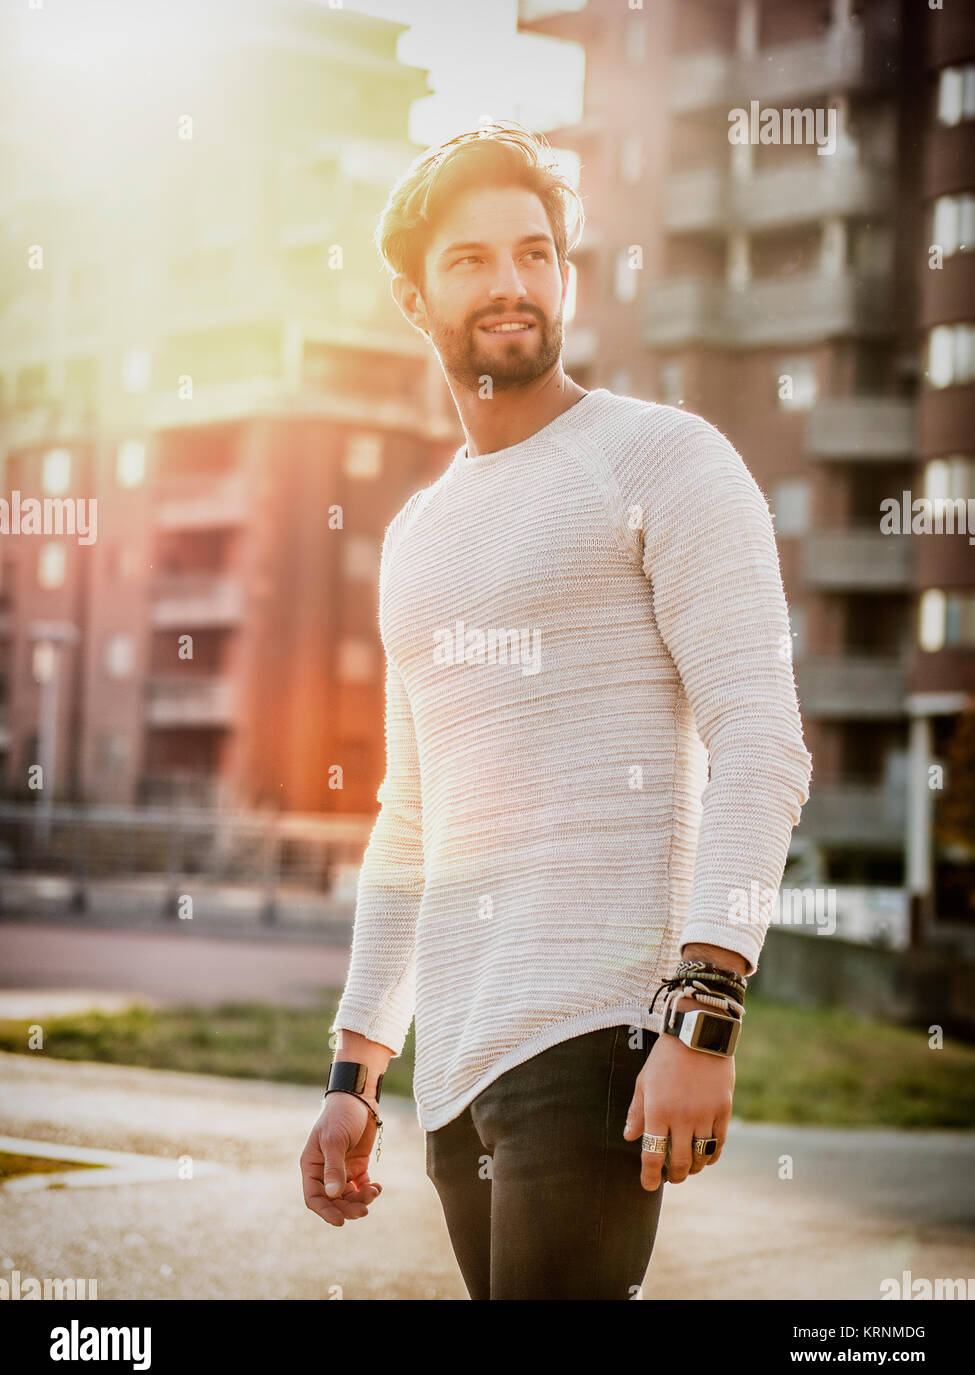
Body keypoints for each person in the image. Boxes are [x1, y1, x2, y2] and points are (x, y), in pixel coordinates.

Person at [299, 123, 813, 1300]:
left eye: (536, 253)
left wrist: (707, 1010)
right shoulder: (416, 539)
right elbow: (411, 822)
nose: (512, 283)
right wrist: (355, 1068)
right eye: (472, 260)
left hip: (599, 1040)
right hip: (460, 1073)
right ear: (414, 297)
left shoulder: (666, 459)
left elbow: (760, 740)